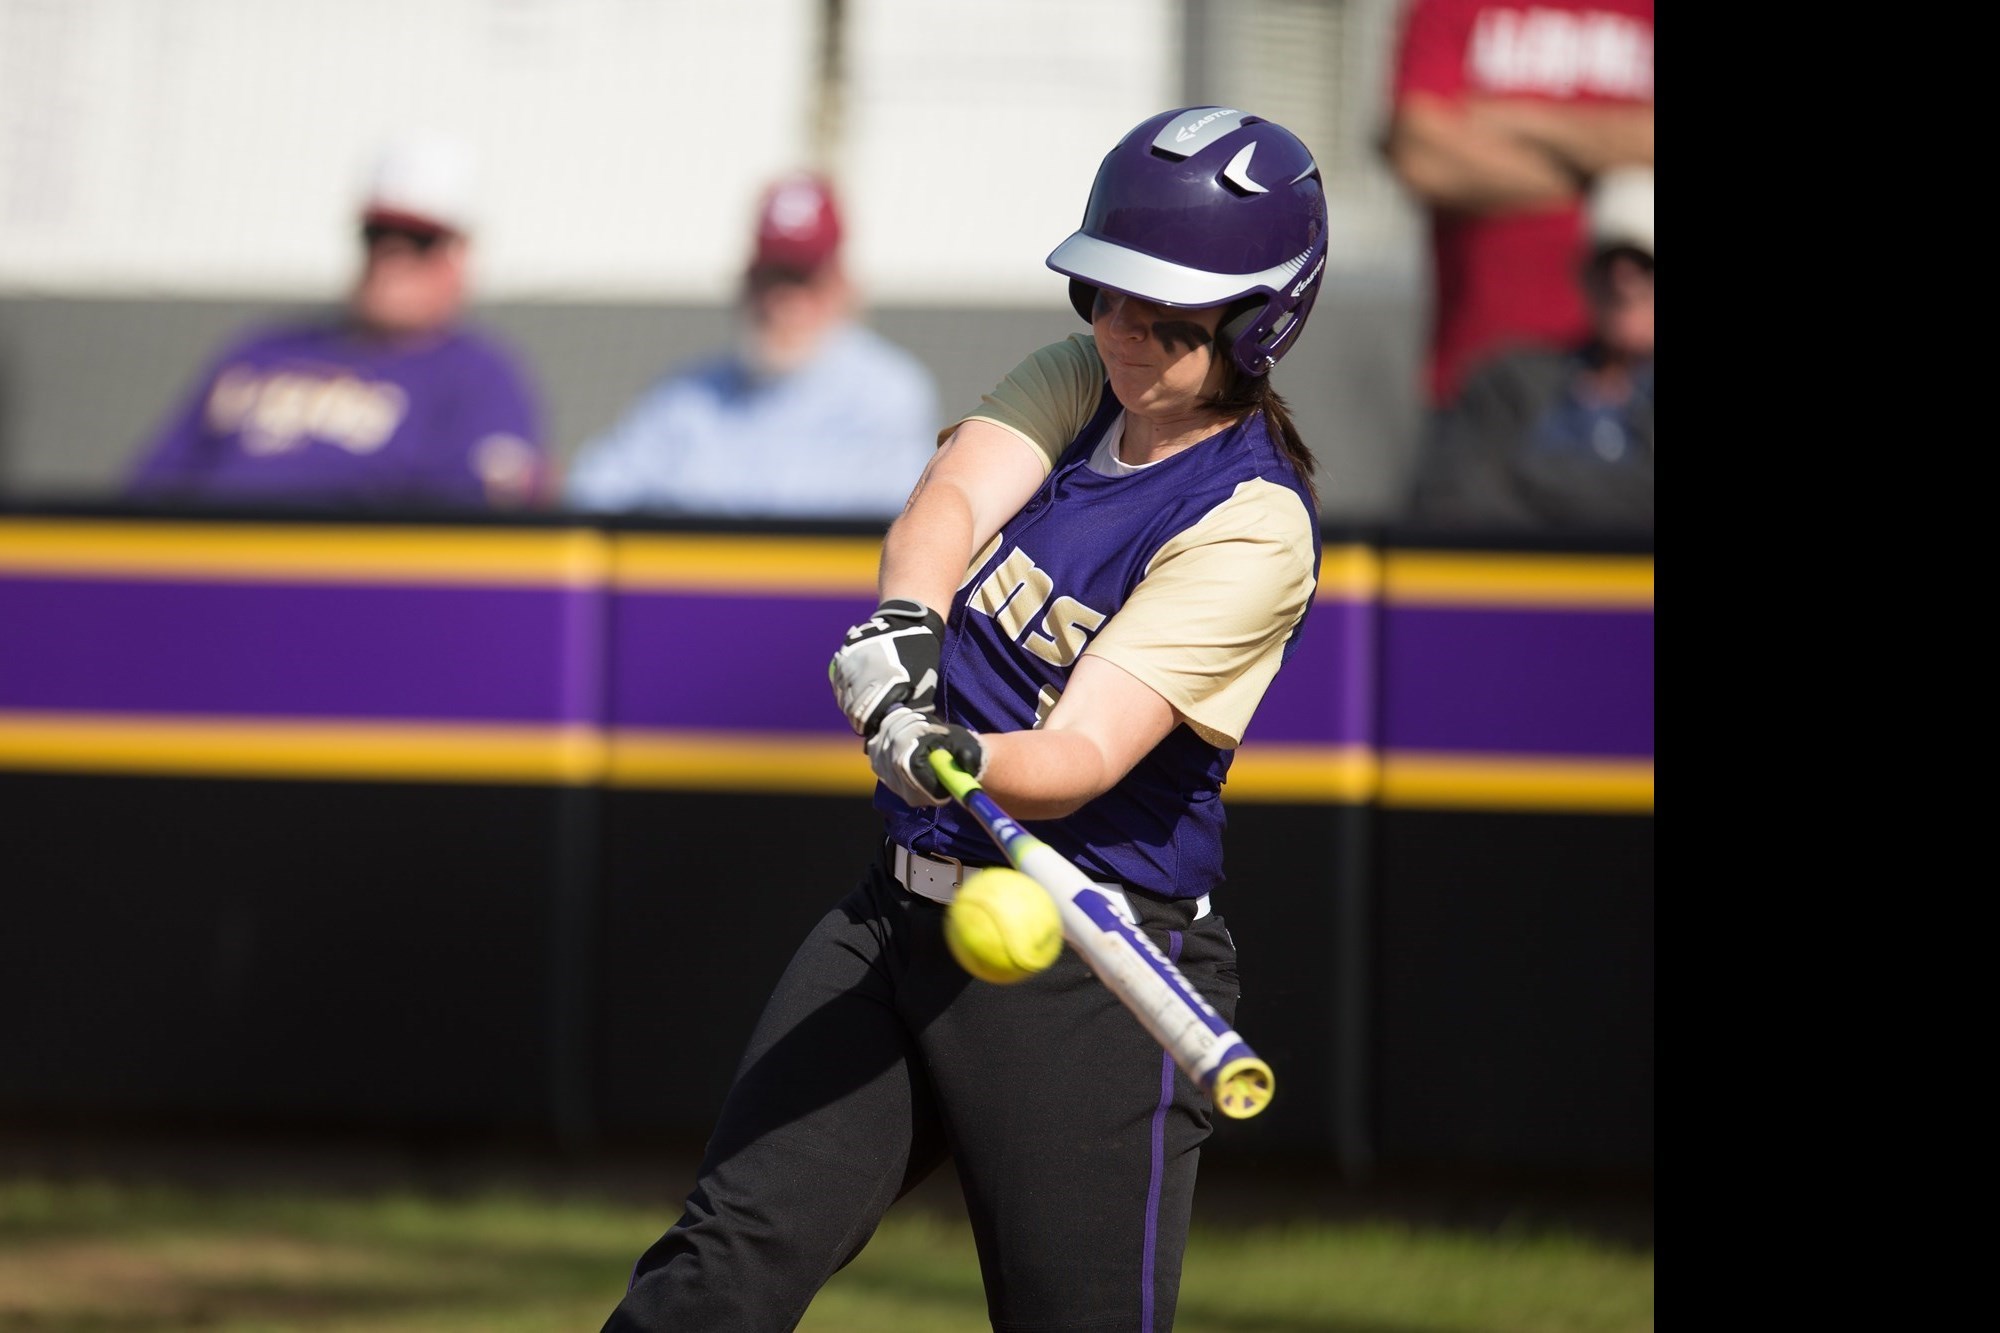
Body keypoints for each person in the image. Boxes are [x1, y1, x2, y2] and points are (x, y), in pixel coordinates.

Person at [604, 106, 1326, 1331]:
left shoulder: (1253, 524)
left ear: (1260, 320)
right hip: (900, 914)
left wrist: (953, 751)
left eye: (1164, 315)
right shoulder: (1079, 379)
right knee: (719, 1268)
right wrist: (903, 630)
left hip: (1091, 963)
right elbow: (946, 502)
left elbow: (1082, 754)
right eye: (1102, 293)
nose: (1119, 332)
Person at [125, 133, 548, 509]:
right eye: (377, 236)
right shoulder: (262, 349)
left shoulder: (479, 376)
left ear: (459, 258)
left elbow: (474, 526)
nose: (391, 259)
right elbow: (146, 495)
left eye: (418, 242)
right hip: (203, 576)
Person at [563, 171, 938, 519]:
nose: (781, 302)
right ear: (747, 278)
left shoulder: (886, 395)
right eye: (771, 278)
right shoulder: (689, 396)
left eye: (802, 281)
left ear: (839, 284)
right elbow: (591, 491)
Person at [1381, 0, 1654, 406]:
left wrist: (1510, 119)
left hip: (1634, 383)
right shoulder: (1450, 7)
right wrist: (1609, 169)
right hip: (1478, 379)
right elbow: (1420, 156)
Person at [1403, 165, 1652, 532]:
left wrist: (1528, 479)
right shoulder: (1506, 382)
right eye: (1609, 264)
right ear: (1584, 276)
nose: (1624, 283)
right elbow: (1449, 499)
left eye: (1645, 265)